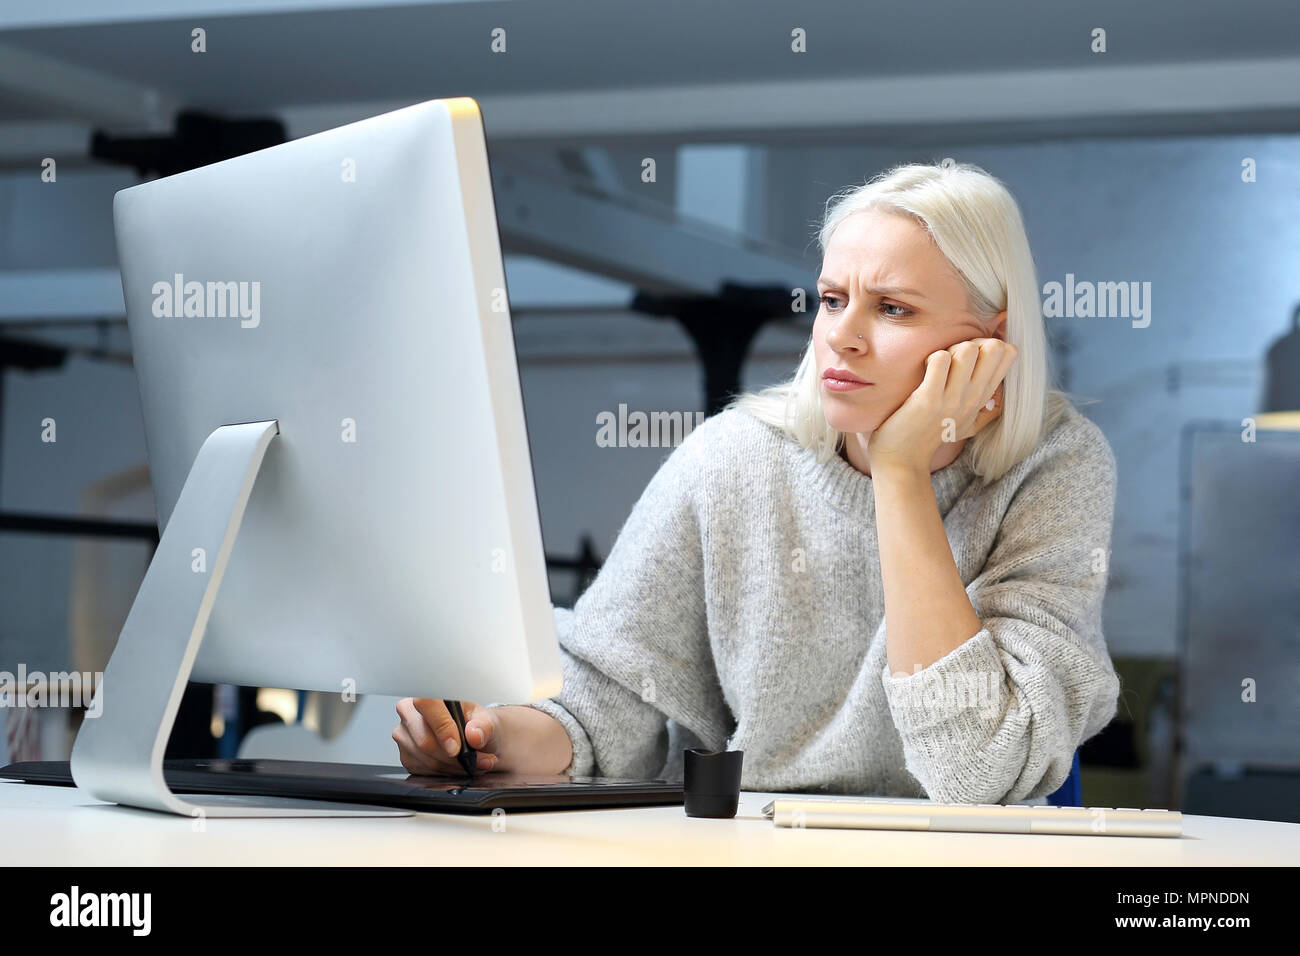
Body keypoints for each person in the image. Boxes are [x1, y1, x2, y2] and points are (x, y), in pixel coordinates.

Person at [392, 160, 1121, 804]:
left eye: (893, 308)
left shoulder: (1055, 468)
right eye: (833, 299)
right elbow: (601, 701)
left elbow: (977, 771)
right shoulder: (732, 459)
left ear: (988, 343)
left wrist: (898, 473)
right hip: (763, 845)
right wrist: (483, 739)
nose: (843, 334)